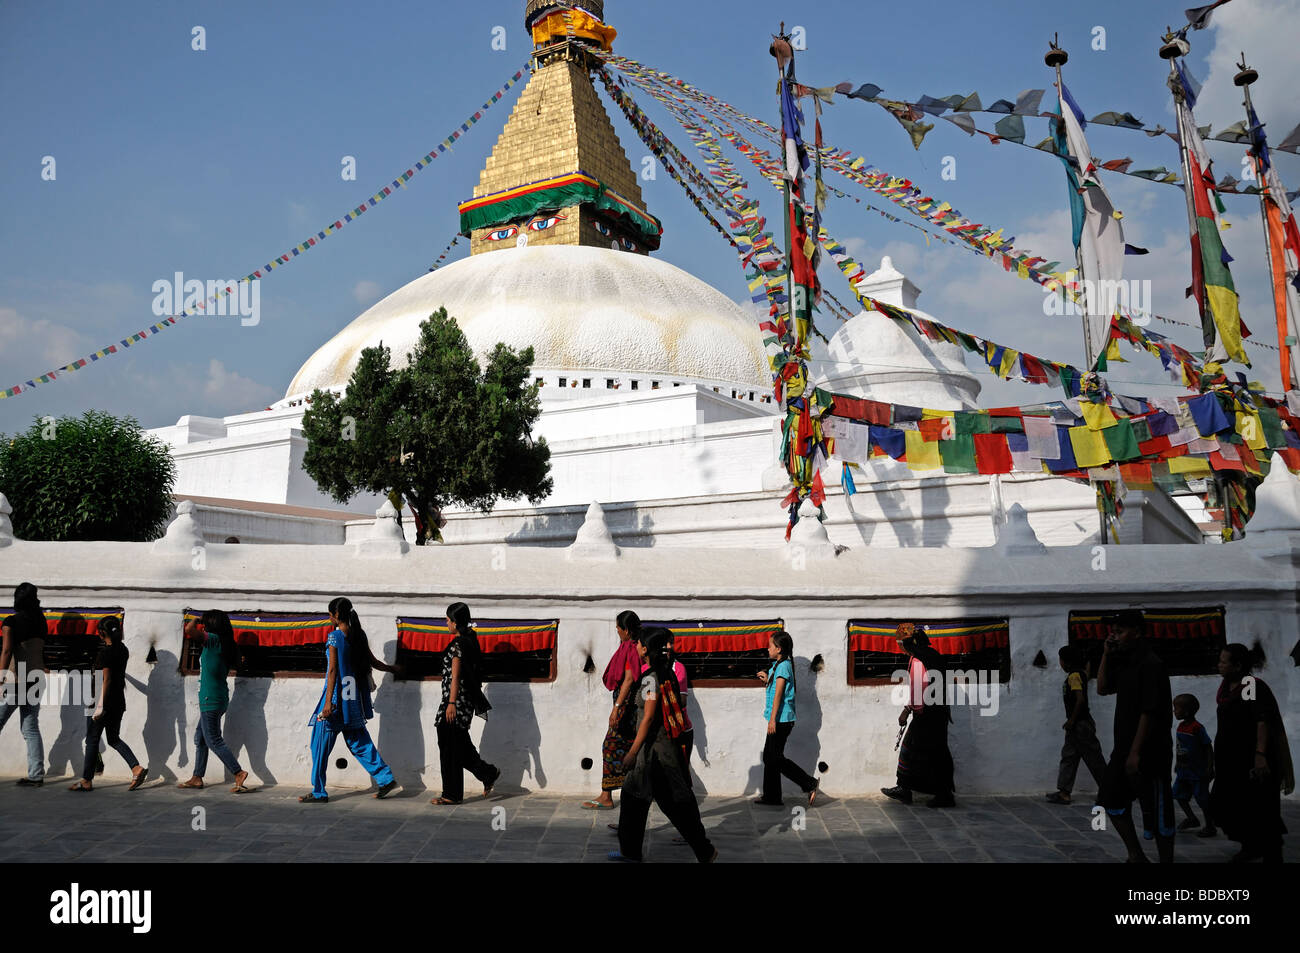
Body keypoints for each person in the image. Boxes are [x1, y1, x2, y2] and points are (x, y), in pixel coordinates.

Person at [609, 628, 716, 863]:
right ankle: (702, 849)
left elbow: (647, 718)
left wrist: (632, 752)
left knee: (640, 799)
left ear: (645, 649)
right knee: (666, 802)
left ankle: (702, 849)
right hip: (663, 751)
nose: (635, 646)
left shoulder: (650, 679)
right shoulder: (666, 673)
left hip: (652, 753)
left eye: (639, 643)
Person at [299, 597, 399, 803]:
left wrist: (327, 703)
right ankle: (385, 778)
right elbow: (373, 662)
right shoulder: (358, 635)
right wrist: (392, 668)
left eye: (330, 614)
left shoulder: (334, 637)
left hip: (335, 700)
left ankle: (319, 791)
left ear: (335, 616)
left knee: (319, 744)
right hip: (353, 701)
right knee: (359, 742)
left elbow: (333, 670)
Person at [1096, 609, 1174, 863]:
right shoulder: (1125, 660)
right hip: (1124, 747)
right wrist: (1106, 655)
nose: (1114, 637)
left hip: (1150, 749)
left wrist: (1135, 752)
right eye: (1113, 632)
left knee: (1159, 808)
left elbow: (1148, 711)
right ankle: (1136, 855)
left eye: (1120, 632)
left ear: (1137, 632)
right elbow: (1102, 688)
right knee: (1111, 797)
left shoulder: (1151, 664)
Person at [1210, 643, 1293, 863]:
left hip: (1251, 758)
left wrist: (1260, 754)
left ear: (1237, 666)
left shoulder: (1248, 685)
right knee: (1236, 806)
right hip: (1232, 760)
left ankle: (1272, 853)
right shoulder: (1227, 688)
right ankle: (1250, 846)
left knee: (1261, 808)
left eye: (1223, 661)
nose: (1219, 665)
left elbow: (1261, 720)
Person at [432, 602, 500, 805]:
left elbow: (455, 676)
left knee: (449, 744)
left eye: (447, 619)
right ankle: (487, 773)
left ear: (455, 622)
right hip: (464, 702)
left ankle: (451, 794)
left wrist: (451, 703)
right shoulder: (470, 641)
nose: (446, 623)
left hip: (455, 702)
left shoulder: (458, 644)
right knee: (458, 744)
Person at [69, 616, 146, 792]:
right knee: (114, 739)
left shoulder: (106, 653)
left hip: (102, 702)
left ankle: (86, 780)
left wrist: (100, 706)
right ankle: (136, 768)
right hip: (118, 702)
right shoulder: (123, 650)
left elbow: (107, 680)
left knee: (92, 740)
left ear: (102, 633)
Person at [882, 623, 955, 808]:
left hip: (925, 715)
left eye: (900, 644)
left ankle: (939, 794)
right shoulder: (934, 656)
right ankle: (906, 789)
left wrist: (906, 711)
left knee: (916, 751)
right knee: (935, 752)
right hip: (939, 712)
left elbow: (918, 689)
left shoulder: (917, 660)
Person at [177, 610, 249, 793]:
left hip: (210, 697)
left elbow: (189, 629)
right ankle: (197, 777)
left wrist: (197, 619)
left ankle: (238, 772)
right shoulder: (226, 643)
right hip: (218, 696)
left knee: (213, 739)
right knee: (201, 738)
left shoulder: (213, 640)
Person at [582, 610, 642, 810]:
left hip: (627, 708)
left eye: (618, 627)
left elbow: (628, 679)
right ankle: (609, 793)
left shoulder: (632, 648)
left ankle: (607, 796)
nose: (616, 630)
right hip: (625, 705)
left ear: (626, 629)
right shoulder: (627, 646)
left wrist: (617, 708)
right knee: (624, 749)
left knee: (610, 746)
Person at [753, 630, 819, 807]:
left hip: (781, 720)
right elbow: (776, 687)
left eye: (770, 646)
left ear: (779, 648)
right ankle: (772, 797)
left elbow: (779, 695)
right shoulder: (778, 665)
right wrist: (768, 680)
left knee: (774, 758)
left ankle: (808, 783)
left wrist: (772, 720)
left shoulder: (783, 666)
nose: (767, 649)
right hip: (778, 718)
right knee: (770, 757)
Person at [0, 582, 47, 786]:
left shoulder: (11, 621)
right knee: (30, 729)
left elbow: (6, 651)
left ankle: (36, 774)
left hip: (16, 680)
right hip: (36, 679)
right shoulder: (41, 621)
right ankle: (36, 775)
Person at [1046, 644, 1106, 805]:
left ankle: (1109, 791)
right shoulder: (1081, 674)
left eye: (1060, 660)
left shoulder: (1074, 676)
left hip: (1080, 725)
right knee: (1069, 757)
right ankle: (1064, 792)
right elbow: (1086, 671)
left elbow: (1080, 700)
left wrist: (1071, 720)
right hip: (1077, 725)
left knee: (1094, 758)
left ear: (1065, 662)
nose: (1060, 663)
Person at [1172, 693, 1215, 837]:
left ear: (1186, 712)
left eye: (1176, 709)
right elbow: (1180, 747)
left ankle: (1210, 825)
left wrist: (1210, 767)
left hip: (1197, 772)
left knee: (1202, 798)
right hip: (1184, 771)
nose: (1174, 711)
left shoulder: (1197, 728)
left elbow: (1208, 747)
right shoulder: (1180, 727)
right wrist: (1178, 763)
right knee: (1179, 795)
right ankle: (1192, 818)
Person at [664, 633, 694, 778]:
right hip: (656, 731)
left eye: (671, 643)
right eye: (665, 643)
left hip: (679, 729)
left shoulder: (678, 668)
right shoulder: (645, 669)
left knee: (680, 773)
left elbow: (682, 701)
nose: (669, 647)